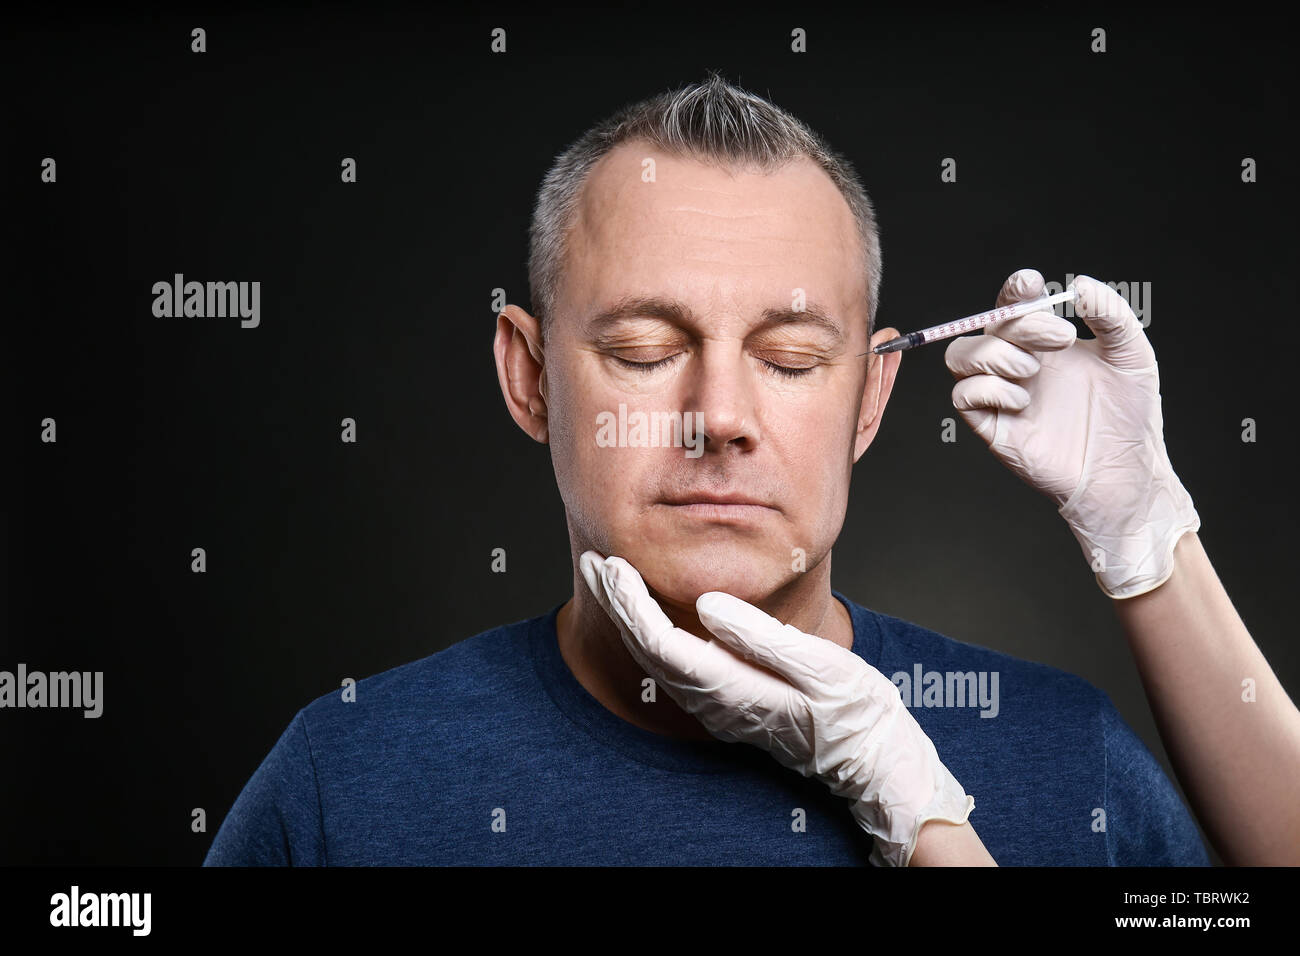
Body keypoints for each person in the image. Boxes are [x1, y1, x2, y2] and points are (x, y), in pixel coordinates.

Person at [204, 73, 1293, 867]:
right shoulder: (345, 783)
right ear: (530, 378)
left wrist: (1153, 540)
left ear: (870, 395)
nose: (718, 416)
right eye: (642, 351)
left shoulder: (1071, 765)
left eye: (787, 359)